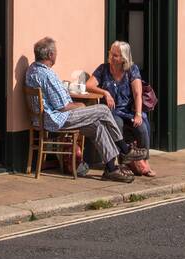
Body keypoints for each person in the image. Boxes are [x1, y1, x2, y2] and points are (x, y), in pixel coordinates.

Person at [25, 37, 146, 183]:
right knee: (103, 110)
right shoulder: (47, 74)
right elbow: (63, 107)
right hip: (57, 119)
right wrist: (81, 106)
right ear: (50, 55)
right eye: (56, 52)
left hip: (45, 118)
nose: (57, 55)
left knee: (97, 126)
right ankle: (125, 150)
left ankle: (111, 169)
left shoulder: (33, 69)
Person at [88, 40, 157, 176]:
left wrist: (137, 113)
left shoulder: (132, 69)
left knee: (142, 126)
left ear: (123, 58)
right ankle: (121, 162)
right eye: (111, 54)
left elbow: (138, 93)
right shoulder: (103, 69)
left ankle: (145, 162)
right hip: (112, 111)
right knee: (116, 124)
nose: (111, 57)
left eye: (115, 55)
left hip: (129, 110)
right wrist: (105, 93)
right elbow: (89, 85)